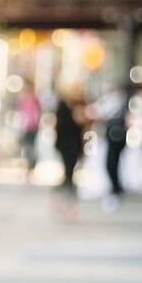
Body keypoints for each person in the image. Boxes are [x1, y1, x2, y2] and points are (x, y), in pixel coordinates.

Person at [52, 79, 88, 217]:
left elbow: (85, 124)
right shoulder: (63, 105)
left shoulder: (82, 103)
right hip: (65, 144)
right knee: (69, 172)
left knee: (70, 173)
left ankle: (62, 200)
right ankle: (67, 203)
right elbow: (60, 126)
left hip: (75, 143)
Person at [16, 84, 42, 180]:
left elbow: (37, 113)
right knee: (26, 149)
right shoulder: (22, 100)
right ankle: (28, 168)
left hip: (32, 127)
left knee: (30, 149)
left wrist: (36, 124)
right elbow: (20, 114)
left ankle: (30, 168)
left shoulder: (34, 99)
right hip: (25, 128)